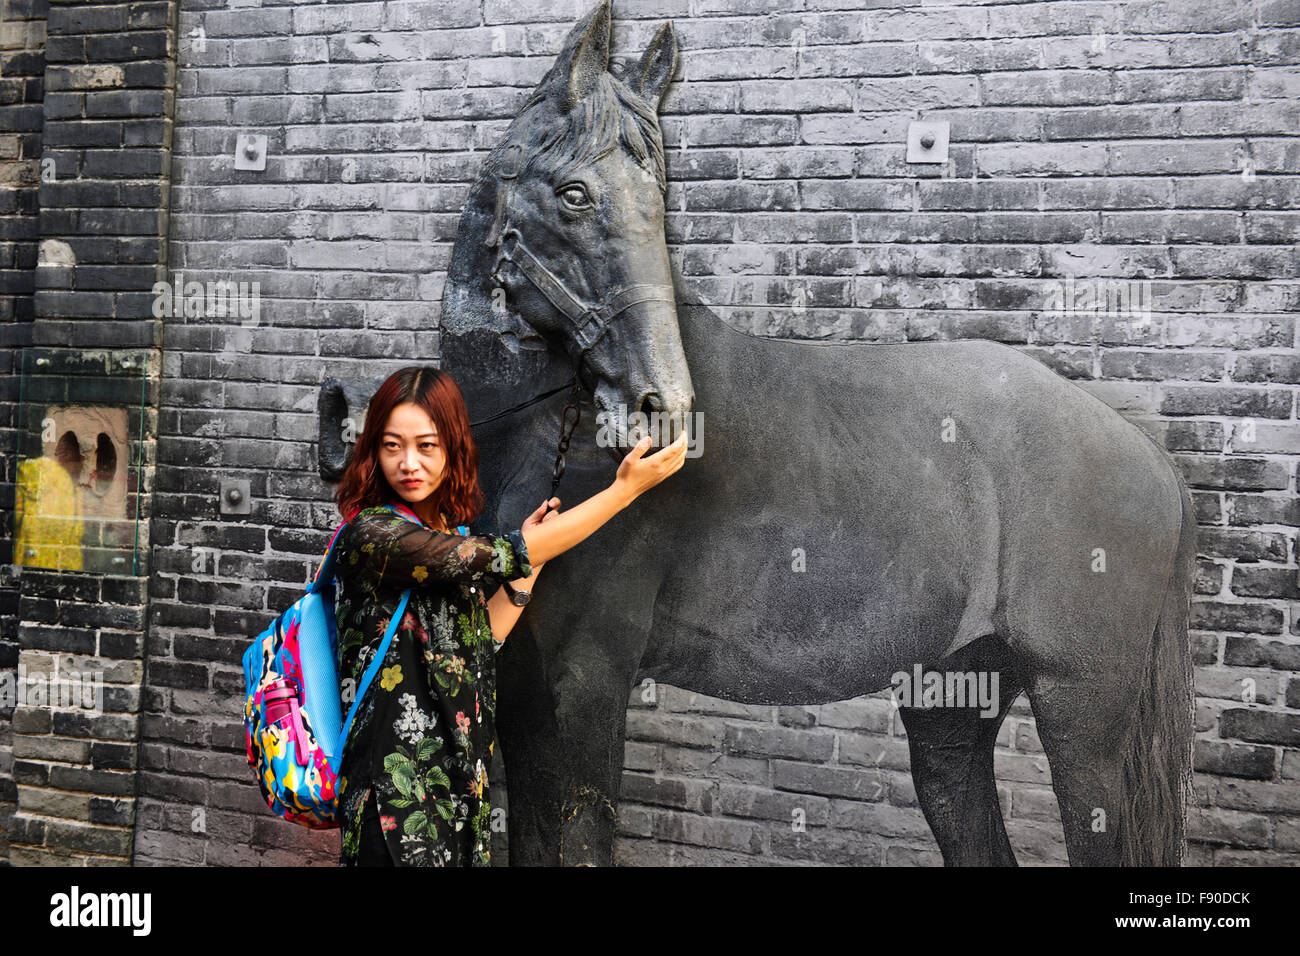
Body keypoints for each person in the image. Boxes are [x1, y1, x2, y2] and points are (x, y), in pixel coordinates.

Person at [331, 366, 687, 866]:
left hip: (459, 793)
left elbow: (482, 640)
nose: (408, 463)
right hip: (394, 802)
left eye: (427, 446)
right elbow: (499, 554)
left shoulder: (445, 530)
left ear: (453, 447)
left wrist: (528, 568)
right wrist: (622, 491)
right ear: (373, 450)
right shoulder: (372, 536)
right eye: (392, 446)